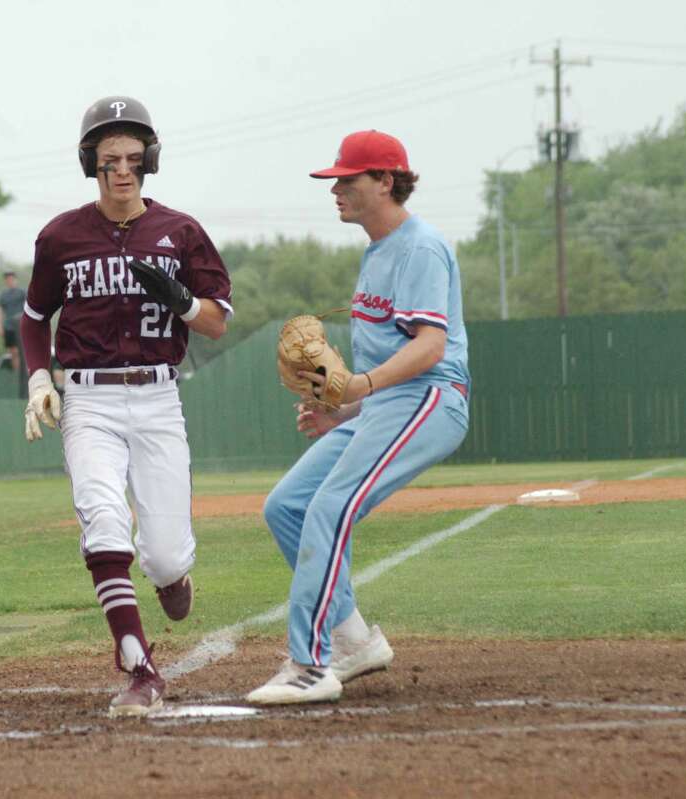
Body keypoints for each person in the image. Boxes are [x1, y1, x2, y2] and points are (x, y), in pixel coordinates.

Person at [21, 96, 232, 717]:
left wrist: (184, 303)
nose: (122, 170)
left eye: (134, 159)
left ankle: (172, 577)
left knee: (165, 554)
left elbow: (218, 322)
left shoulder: (182, 231)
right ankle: (138, 665)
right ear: (90, 162)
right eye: (110, 159)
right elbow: (35, 319)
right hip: (88, 397)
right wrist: (39, 378)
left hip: (159, 395)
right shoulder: (61, 235)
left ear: (151, 162)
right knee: (103, 519)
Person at [247, 130, 470, 705]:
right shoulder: (377, 251)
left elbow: (429, 347)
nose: (336, 190)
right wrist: (344, 409)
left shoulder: (419, 246)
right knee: (289, 506)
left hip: (429, 398)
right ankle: (351, 640)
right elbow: (379, 363)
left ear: (386, 181)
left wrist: (363, 388)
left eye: (348, 179)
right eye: (335, 181)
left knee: (330, 507)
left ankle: (310, 663)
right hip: (384, 404)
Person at [0, 271, 25, 372]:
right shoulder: (3, 295)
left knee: (22, 351)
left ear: (16, 280)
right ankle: (17, 374)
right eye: (7, 279)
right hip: (9, 327)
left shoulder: (22, 292)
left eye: (11, 279)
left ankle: (25, 375)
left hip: (21, 326)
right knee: (13, 352)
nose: (10, 281)